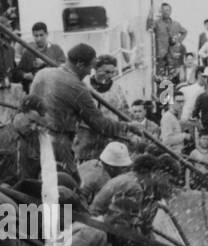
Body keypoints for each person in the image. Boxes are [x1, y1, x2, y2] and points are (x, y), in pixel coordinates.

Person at [31, 42, 133, 171]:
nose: (90, 71)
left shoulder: (42, 74)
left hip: (34, 139)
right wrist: (128, 127)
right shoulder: (78, 88)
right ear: (79, 64)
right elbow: (100, 124)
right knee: (71, 183)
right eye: (90, 67)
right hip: (59, 144)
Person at [0, 94, 50, 187]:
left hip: (26, 197)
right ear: (19, 113)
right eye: (31, 121)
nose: (33, 128)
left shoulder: (38, 142)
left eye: (38, 124)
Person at [17, 22, 66, 92]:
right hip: (36, 90)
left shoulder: (56, 49)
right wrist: (24, 75)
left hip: (54, 89)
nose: (39, 39)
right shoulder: (28, 52)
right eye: (36, 36)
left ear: (47, 34)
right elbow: (18, 71)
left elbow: (64, 68)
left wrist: (45, 63)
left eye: (41, 35)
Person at [151, 3, 187, 80]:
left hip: (173, 55)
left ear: (170, 11)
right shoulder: (157, 23)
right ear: (161, 11)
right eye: (163, 10)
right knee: (161, 77)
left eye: (167, 10)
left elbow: (184, 32)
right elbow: (149, 28)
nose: (166, 12)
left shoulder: (176, 24)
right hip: (161, 54)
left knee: (173, 77)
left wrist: (178, 41)